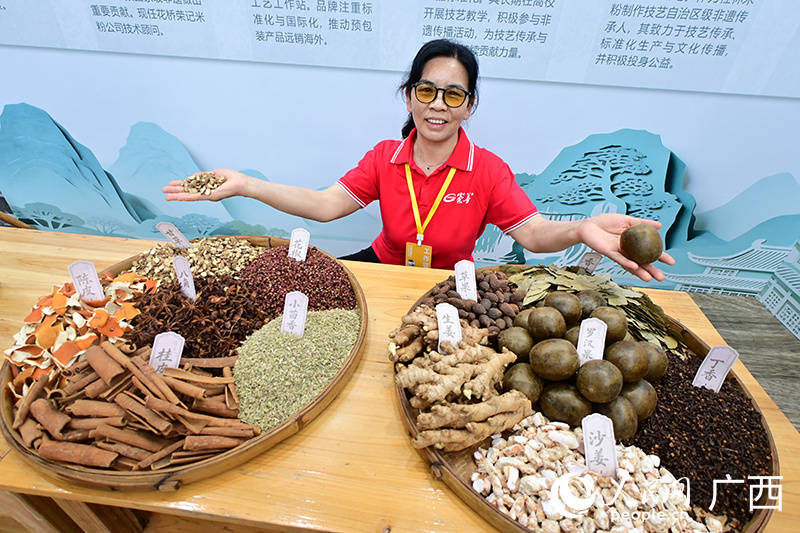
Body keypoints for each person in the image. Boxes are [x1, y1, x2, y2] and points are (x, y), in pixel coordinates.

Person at [164, 39, 674, 281]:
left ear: (469, 107)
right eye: (427, 90)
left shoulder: (488, 170)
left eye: (454, 95)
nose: (438, 105)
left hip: (450, 282)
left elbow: (535, 234)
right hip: (382, 266)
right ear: (409, 97)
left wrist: (581, 228)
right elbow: (324, 205)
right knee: (308, 295)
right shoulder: (385, 157)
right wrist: (246, 184)